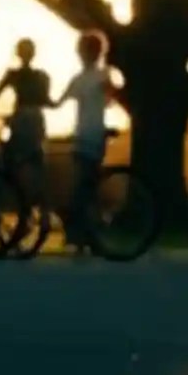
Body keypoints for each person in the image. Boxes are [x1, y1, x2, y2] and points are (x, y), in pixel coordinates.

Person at [51, 31, 117, 250]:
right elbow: (110, 100)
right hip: (95, 135)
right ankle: (82, 229)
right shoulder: (102, 76)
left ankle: (79, 229)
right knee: (88, 184)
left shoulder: (79, 80)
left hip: (82, 135)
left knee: (86, 183)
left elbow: (56, 103)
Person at [0, 38, 54, 171]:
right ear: (34, 54)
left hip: (21, 117)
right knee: (35, 155)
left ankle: (11, 180)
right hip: (36, 118)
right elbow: (47, 102)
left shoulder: (13, 75)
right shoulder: (42, 76)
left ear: (18, 54)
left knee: (11, 155)